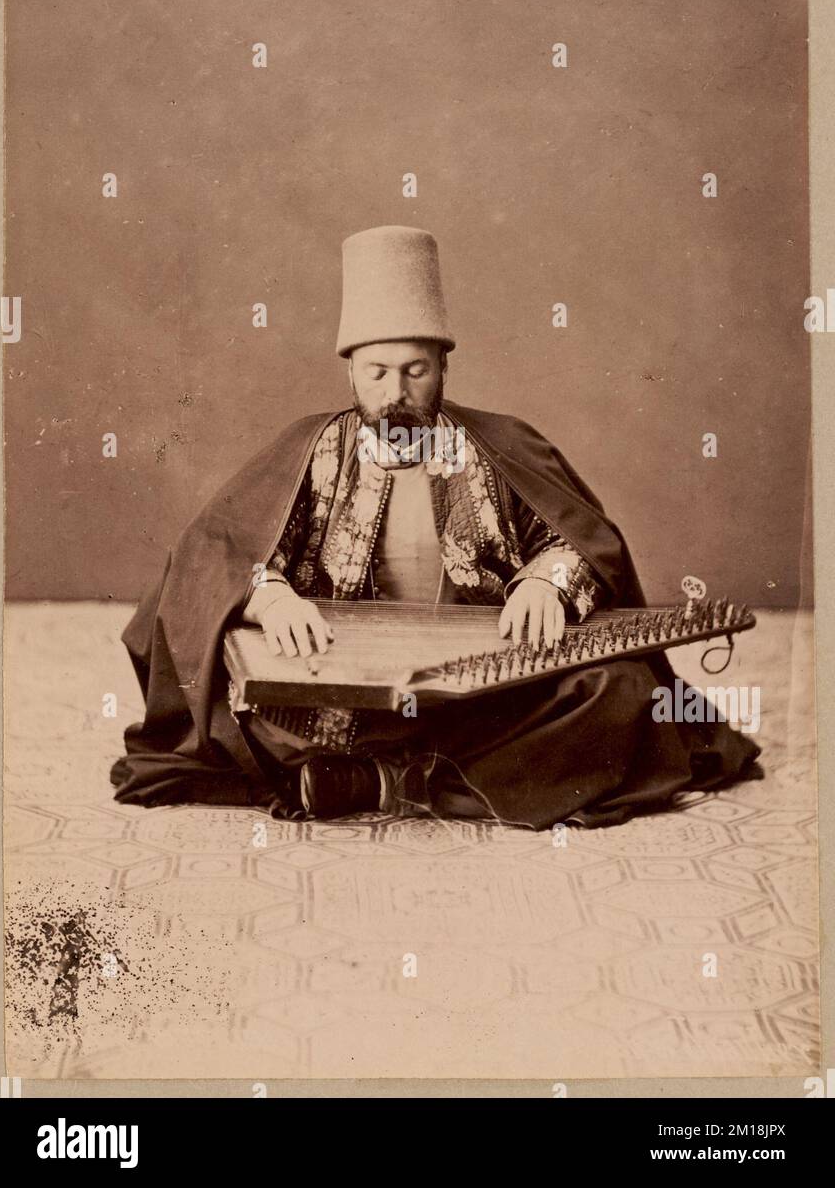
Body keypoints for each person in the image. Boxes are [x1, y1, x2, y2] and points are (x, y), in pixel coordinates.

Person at [111, 225, 760, 826]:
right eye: (378, 372)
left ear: (444, 368)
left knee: (619, 692)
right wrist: (268, 594)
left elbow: (579, 540)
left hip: (482, 695)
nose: (397, 391)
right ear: (351, 374)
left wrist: (546, 584)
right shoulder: (309, 451)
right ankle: (434, 781)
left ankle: (390, 785)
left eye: (416, 371)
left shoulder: (503, 446)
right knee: (233, 701)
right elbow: (216, 551)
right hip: (343, 691)